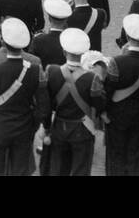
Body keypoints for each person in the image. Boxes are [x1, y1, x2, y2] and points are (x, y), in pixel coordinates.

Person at [0, 17, 46, 175]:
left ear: (3, 40)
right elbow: (42, 106)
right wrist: (33, 125)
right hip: (24, 128)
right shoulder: (36, 69)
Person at [102, 13, 139, 176]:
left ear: (127, 35)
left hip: (117, 117)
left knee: (115, 156)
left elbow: (108, 90)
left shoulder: (117, 61)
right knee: (136, 157)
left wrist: (103, 112)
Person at [41, 28, 105, 176]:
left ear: (64, 52)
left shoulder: (51, 71)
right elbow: (99, 105)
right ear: (83, 55)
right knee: (80, 170)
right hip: (82, 130)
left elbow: (46, 104)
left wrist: (46, 127)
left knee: (57, 170)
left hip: (58, 128)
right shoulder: (92, 78)